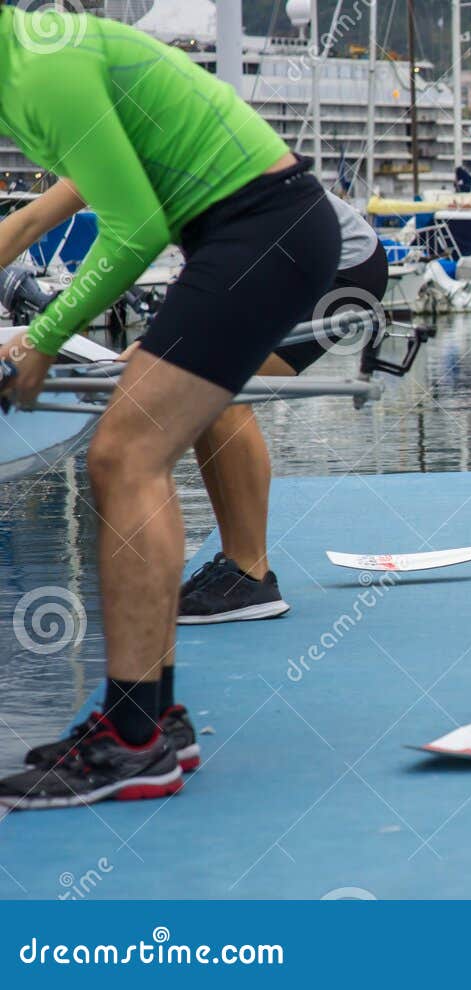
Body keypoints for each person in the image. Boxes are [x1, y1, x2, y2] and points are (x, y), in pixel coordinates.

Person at [0, 7, 341, 808]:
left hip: (263, 229)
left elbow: (134, 230)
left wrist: (43, 338)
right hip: (257, 228)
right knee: (134, 453)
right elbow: (71, 205)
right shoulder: (29, 61)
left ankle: (131, 740)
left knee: (126, 455)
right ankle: (151, 719)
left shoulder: (42, 67)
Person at [0, 187, 388, 625]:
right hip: (273, 258)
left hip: (332, 265)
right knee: (205, 384)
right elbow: (35, 219)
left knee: (211, 385)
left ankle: (249, 576)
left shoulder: (122, 132)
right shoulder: (101, 142)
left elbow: (126, 246)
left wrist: (50, 335)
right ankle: (238, 568)